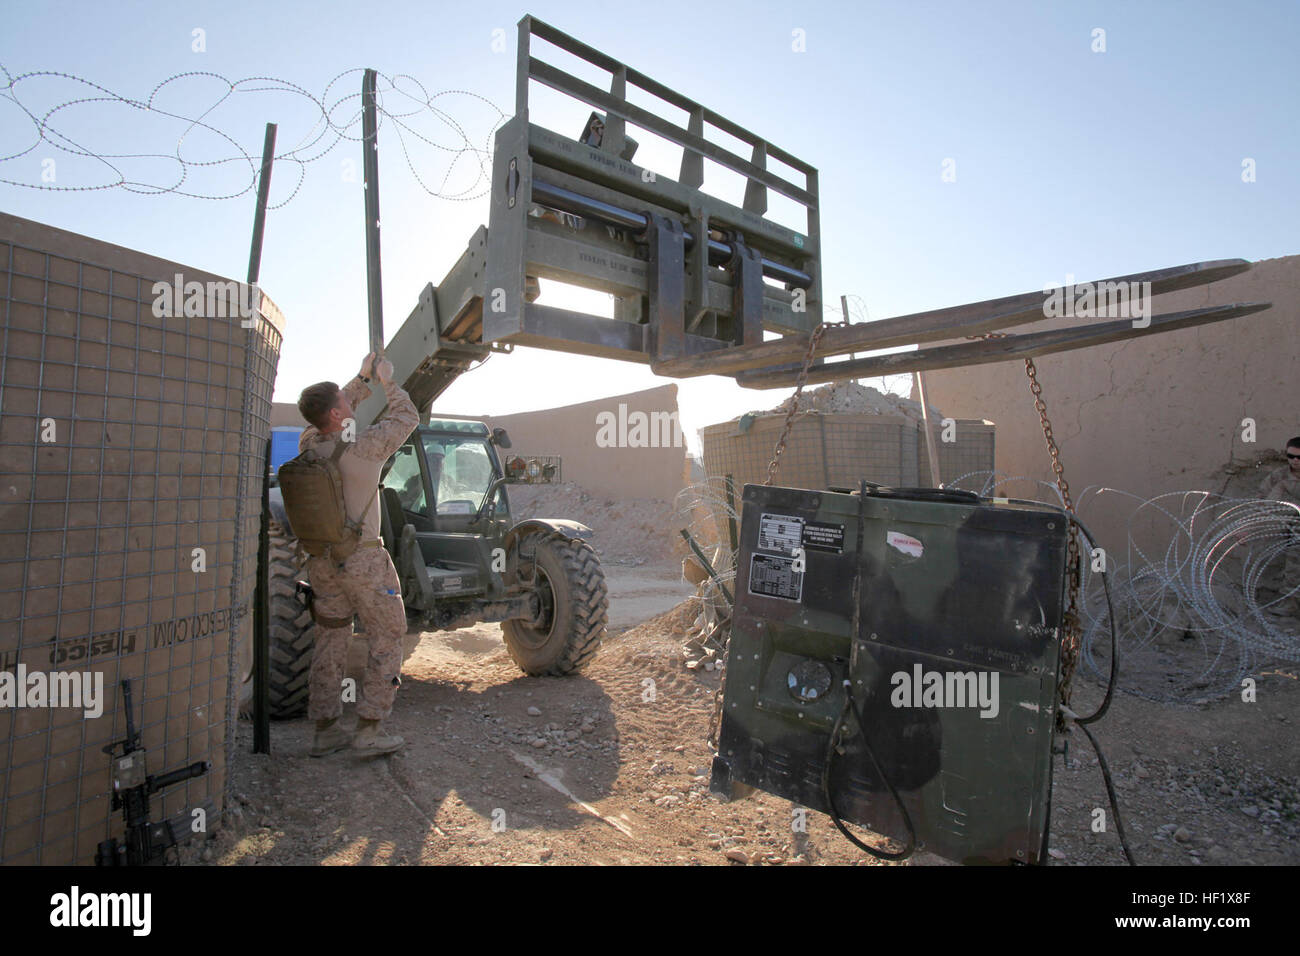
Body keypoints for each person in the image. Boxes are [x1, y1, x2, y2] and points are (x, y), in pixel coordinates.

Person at [295, 352, 419, 757]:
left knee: (330, 640)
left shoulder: (309, 444)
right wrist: (385, 380)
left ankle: (325, 729)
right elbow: (407, 417)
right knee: (387, 636)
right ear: (335, 413)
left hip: (322, 563)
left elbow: (328, 409)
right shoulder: (364, 448)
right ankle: (369, 729)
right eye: (347, 404)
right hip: (364, 561)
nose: (352, 406)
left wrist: (360, 378)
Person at [1257, 436, 1300, 622]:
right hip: (1288, 528)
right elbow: (1261, 498)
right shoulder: (1280, 476)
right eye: (1291, 456)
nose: (1295, 461)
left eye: (1299, 457)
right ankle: (1290, 604)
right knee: (1293, 564)